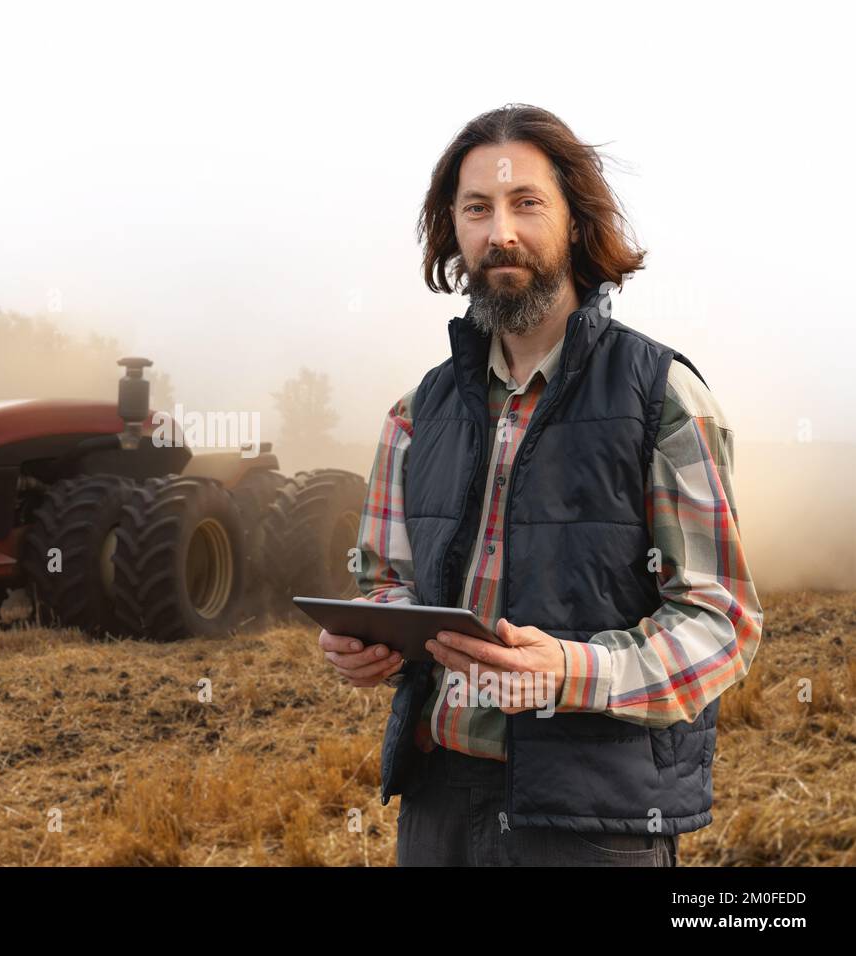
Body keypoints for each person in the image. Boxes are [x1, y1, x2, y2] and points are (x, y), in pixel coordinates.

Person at [317, 104, 764, 866]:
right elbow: (389, 584)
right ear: (451, 233)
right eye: (477, 209)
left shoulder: (662, 396)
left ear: (576, 224)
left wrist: (570, 671)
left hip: (593, 825)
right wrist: (368, 637)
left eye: (527, 202)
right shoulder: (416, 413)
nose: (502, 232)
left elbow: (720, 623)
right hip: (437, 811)